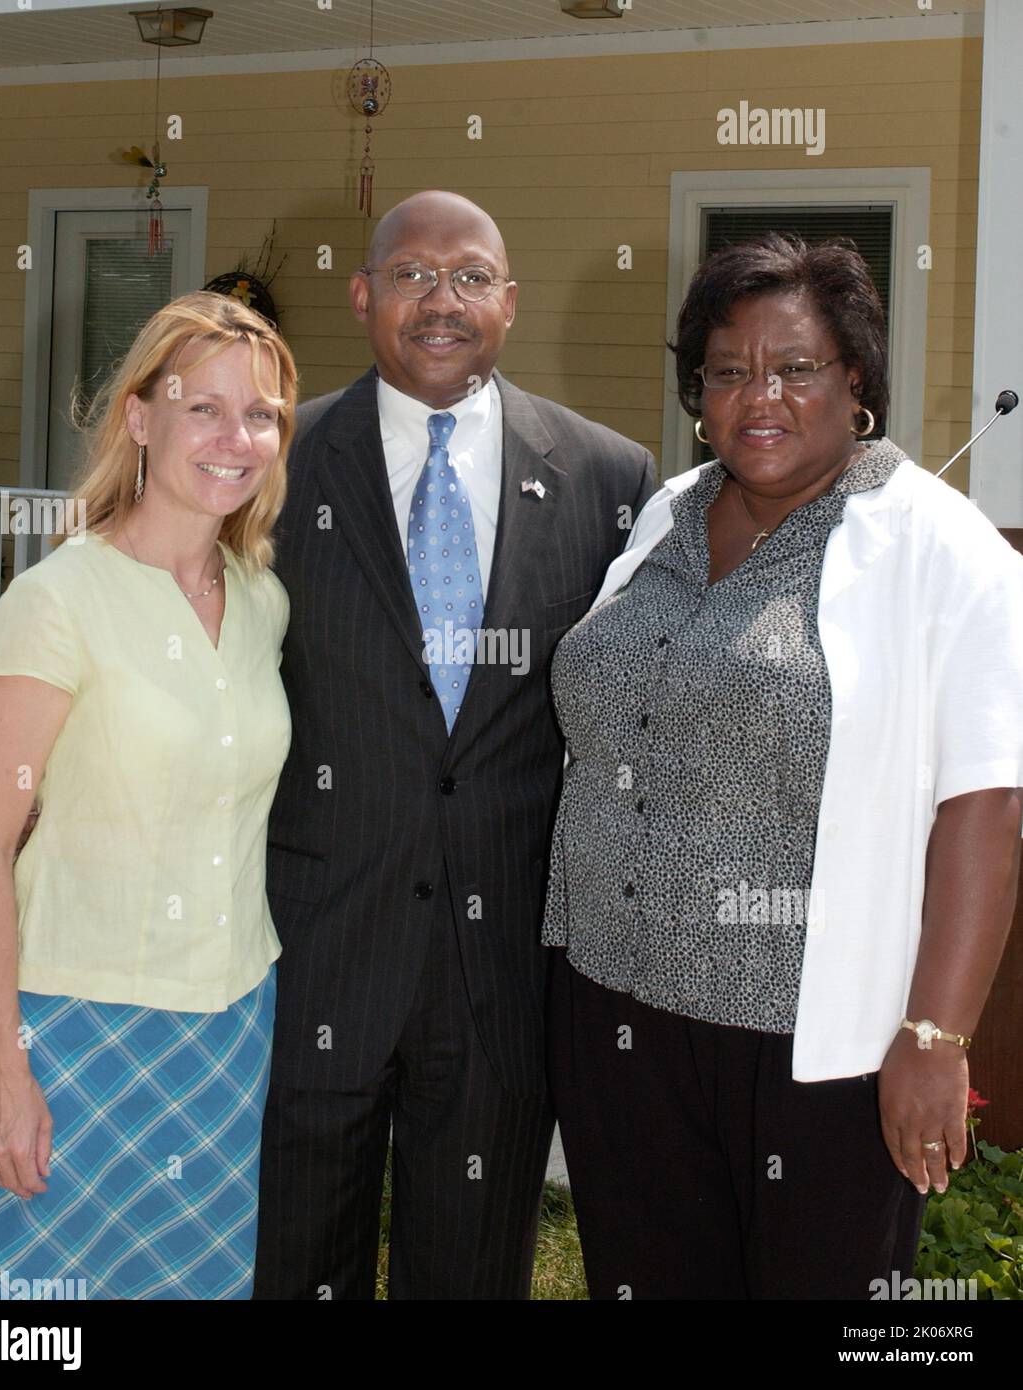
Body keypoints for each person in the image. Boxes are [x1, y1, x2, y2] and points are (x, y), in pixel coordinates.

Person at [542, 232, 1023, 1300]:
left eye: (794, 367)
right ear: (698, 392)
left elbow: (982, 809)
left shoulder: (940, 550)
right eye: (727, 371)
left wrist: (935, 1038)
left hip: (815, 1040)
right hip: (614, 1008)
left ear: (855, 379)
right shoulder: (664, 514)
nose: (759, 394)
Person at [253, 189, 655, 1300]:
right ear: (363, 294)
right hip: (309, 953)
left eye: (470, 275)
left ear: (510, 302)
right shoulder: (272, 465)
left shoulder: (610, 479)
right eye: (412, 274)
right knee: (291, 1269)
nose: (442, 300)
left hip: (501, 972)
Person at [0, 291, 297, 1300]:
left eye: (262, 414)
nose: (238, 438)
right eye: (204, 409)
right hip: (69, 1026)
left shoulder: (261, 599)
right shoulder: (57, 602)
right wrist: (2, 1068)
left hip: (225, 1030)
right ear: (140, 417)